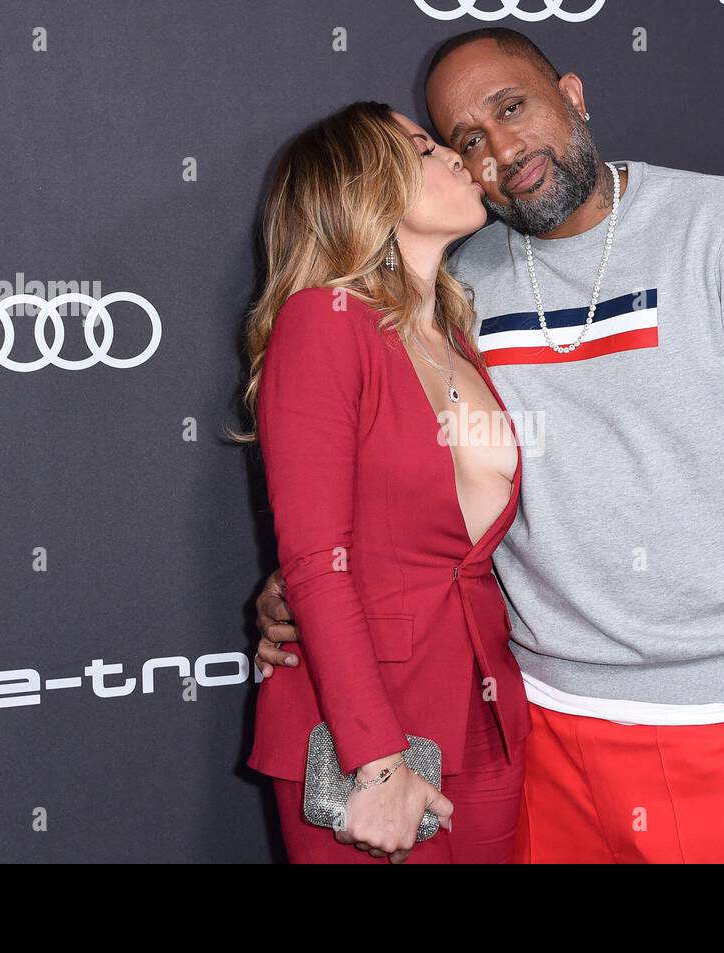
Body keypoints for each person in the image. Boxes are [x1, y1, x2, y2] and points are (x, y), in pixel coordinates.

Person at [256, 29, 724, 864]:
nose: (499, 151)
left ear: (574, 96)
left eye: (512, 108)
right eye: (463, 141)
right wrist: (300, 583)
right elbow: (367, 489)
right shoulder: (461, 282)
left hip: (715, 714)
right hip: (534, 719)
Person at [232, 100, 530, 863]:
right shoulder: (323, 323)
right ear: (361, 187)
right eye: (425, 147)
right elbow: (314, 559)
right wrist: (380, 759)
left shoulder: (462, 338)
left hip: (486, 709)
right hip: (361, 733)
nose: (461, 157)